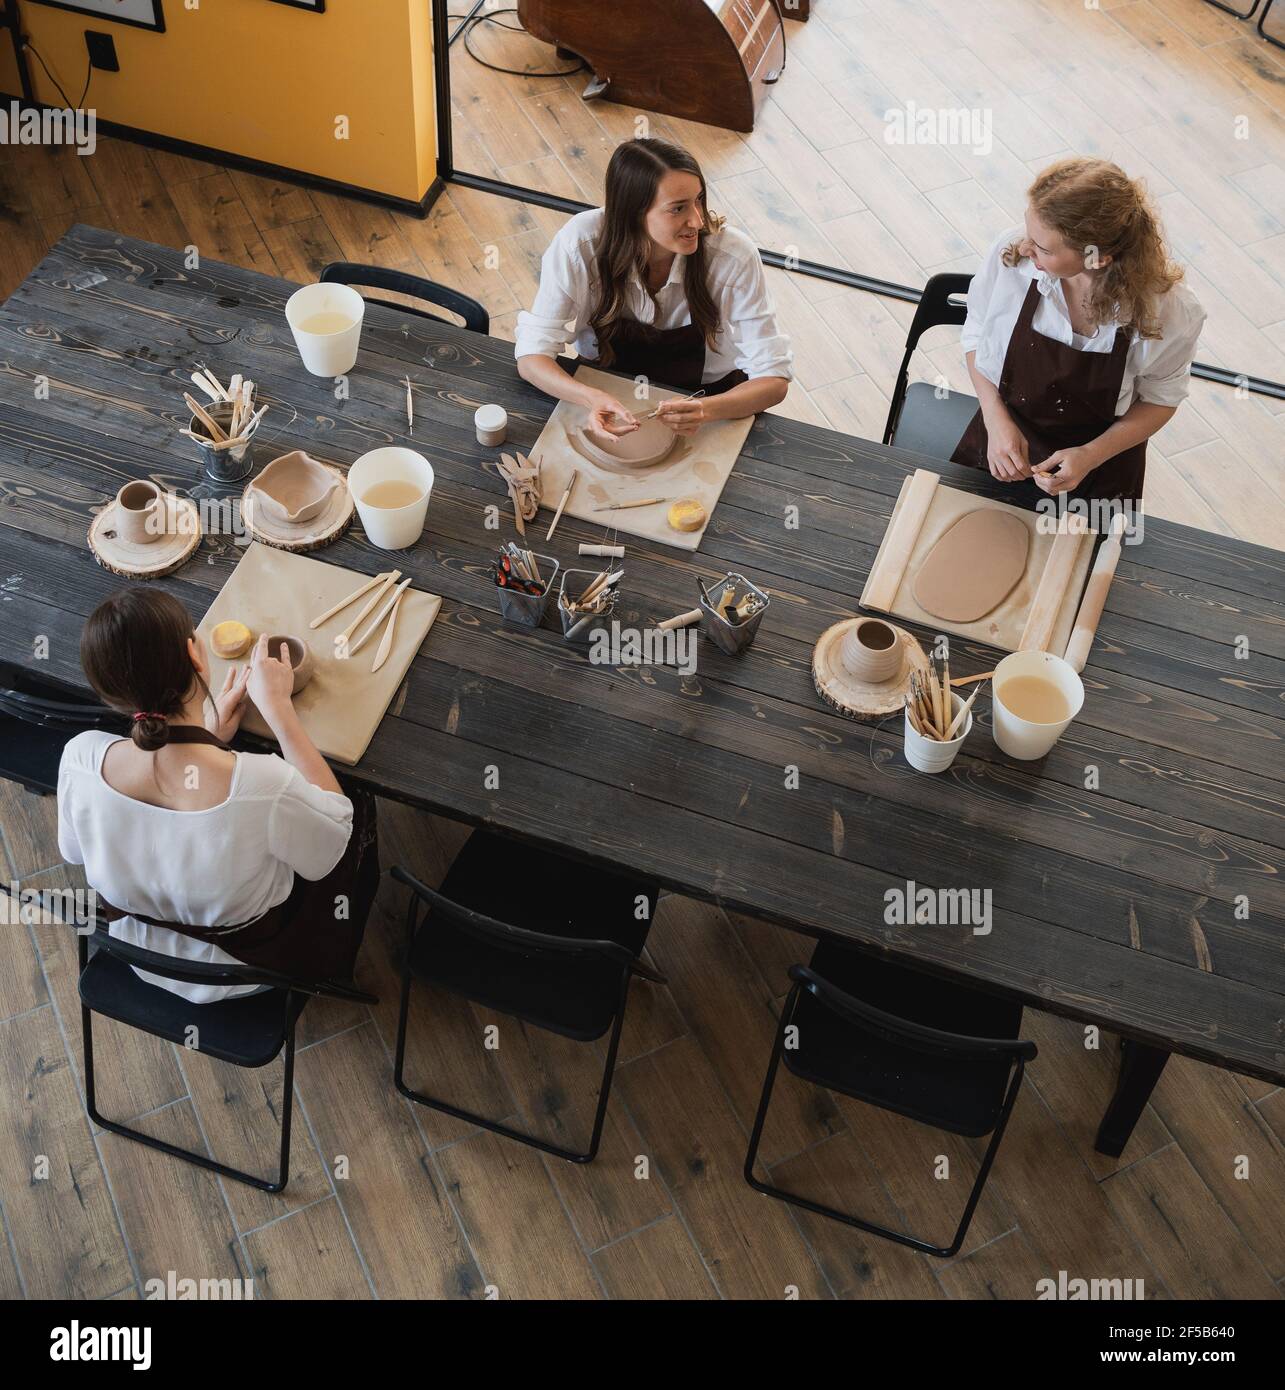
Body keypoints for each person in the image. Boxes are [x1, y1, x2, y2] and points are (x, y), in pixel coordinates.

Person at [57, 588, 377, 1004]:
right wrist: (279, 711)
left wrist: (205, 740)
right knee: (357, 800)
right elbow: (336, 836)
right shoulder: (264, 785)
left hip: (136, 951)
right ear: (196, 656)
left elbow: (73, 851)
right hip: (240, 968)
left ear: (109, 693)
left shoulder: (80, 759)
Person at [955, 157, 1205, 504]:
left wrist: (1091, 455)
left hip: (1100, 463)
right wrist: (995, 420)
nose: (1025, 249)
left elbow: (1161, 399)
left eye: (1043, 247)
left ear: (1097, 258)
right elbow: (977, 332)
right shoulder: (1012, 257)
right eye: (1029, 232)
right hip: (1002, 438)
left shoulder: (1170, 313)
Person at [515, 136, 792, 441]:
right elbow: (532, 357)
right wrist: (590, 398)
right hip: (605, 390)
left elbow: (773, 379)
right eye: (678, 209)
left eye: (699, 200)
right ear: (633, 213)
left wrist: (705, 409)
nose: (697, 221)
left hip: (708, 401)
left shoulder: (734, 257)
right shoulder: (579, 245)